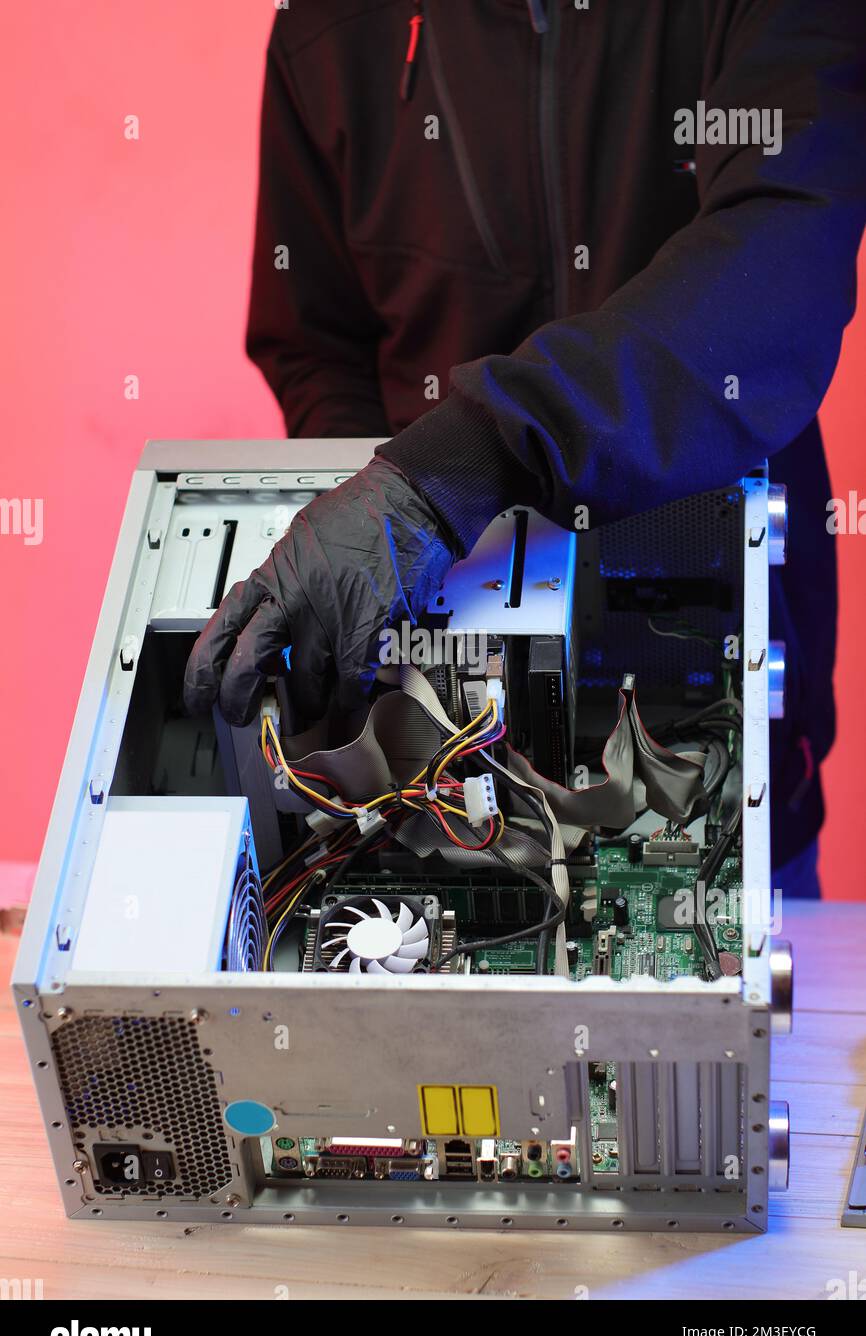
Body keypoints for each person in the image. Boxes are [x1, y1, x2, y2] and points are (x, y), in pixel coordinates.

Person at [184, 0, 866, 896]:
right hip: (437, 757)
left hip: (710, 720)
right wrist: (375, 551)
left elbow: (776, 267)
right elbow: (319, 341)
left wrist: (453, 470)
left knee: (752, 1013)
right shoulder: (330, 27)